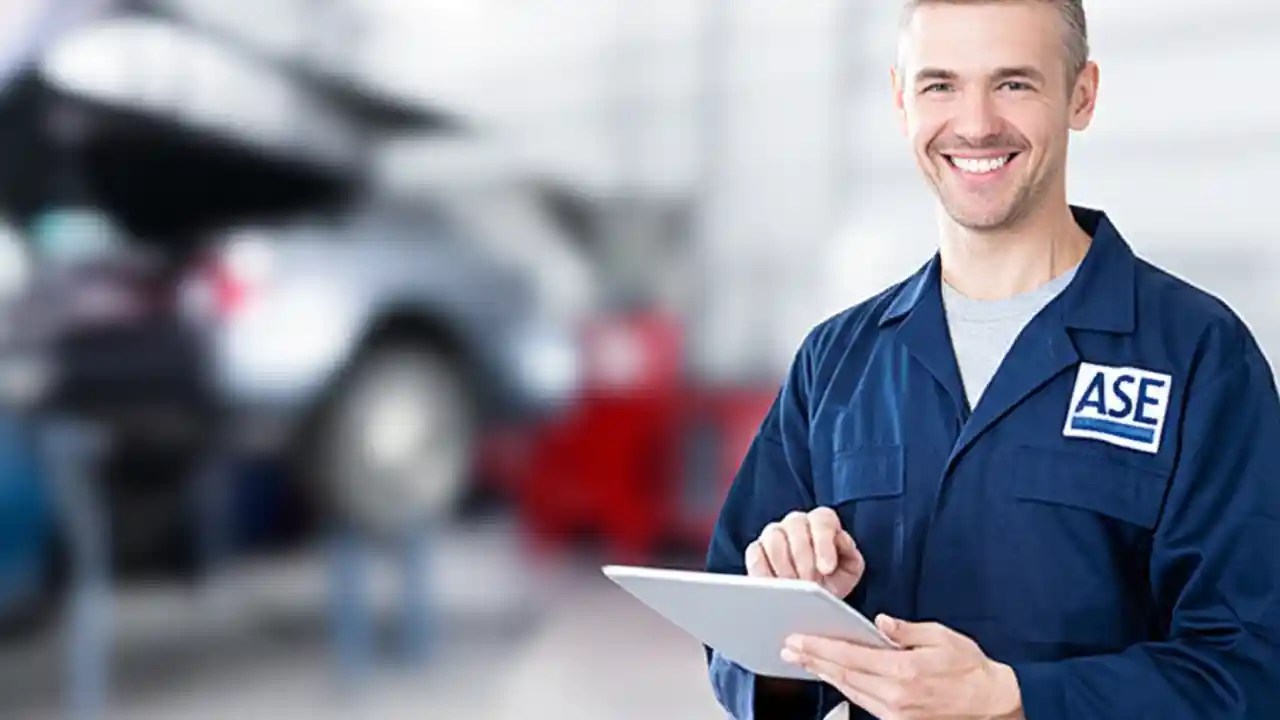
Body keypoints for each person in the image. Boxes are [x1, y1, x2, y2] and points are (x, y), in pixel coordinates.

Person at [703, 1, 1280, 718]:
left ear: (1082, 94)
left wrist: (1013, 698)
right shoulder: (837, 363)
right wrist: (798, 617)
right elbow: (738, 653)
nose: (974, 124)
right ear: (900, 99)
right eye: (941, 85)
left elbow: (1250, 670)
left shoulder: (1198, 357)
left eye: (1014, 83)